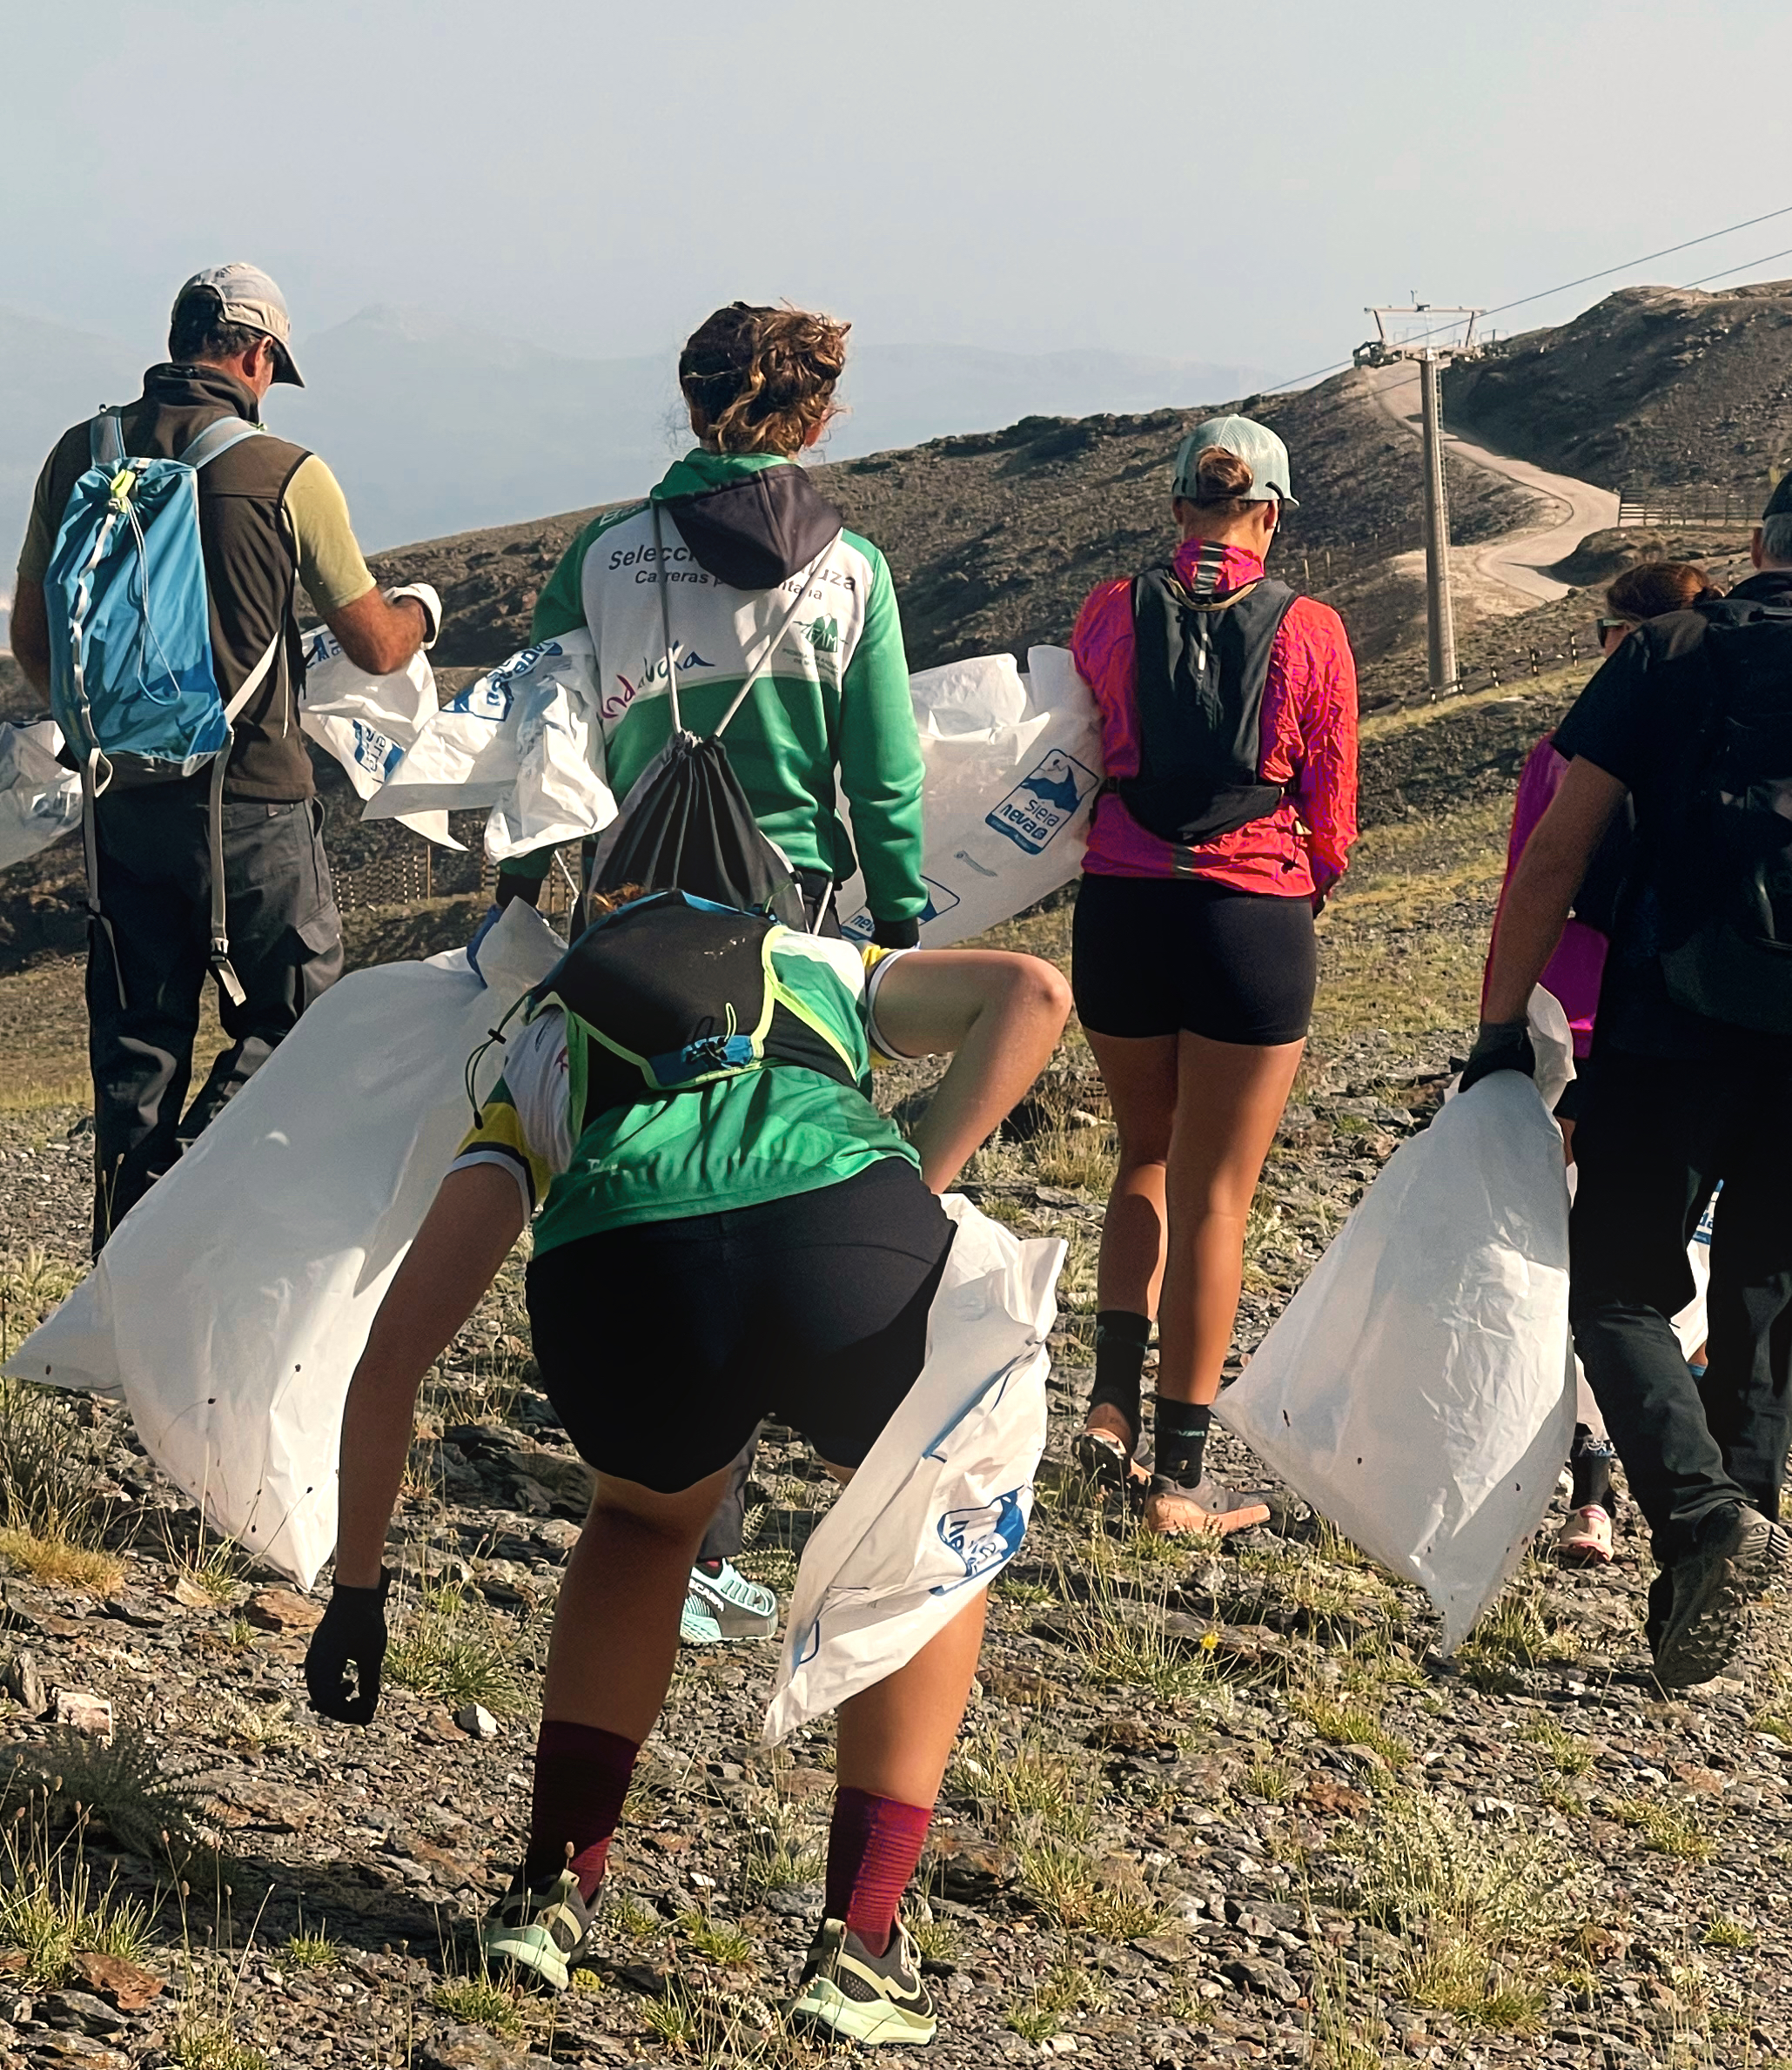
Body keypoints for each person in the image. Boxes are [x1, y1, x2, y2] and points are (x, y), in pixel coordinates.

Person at [305, 917, 1071, 2048]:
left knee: (639, 1523)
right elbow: (1034, 993)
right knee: (929, 1527)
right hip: (849, 1234)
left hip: (622, 1267)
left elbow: (392, 1361)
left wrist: (358, 1592)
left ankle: (549, 1896)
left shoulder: (548, 1032)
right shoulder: (814, 960)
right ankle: (860, 1948)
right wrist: (919, 1178)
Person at [1474, 458, 1792, 1690]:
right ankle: (1712, 1567)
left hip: (1668, 1030)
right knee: (1768, 1313)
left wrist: (1499, 1031)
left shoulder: (1663, 655)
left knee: (1617, 1295)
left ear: (1759, 550)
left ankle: (1699, 1523)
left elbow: (1553, 859)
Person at [483, 299, 931, 1644]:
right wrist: (897, 917)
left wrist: (516, 885)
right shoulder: (851, 570)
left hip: (628, 912)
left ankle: (668, 1520)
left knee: (656, 1184)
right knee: (773, 1171)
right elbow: (887, 772)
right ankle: (765, 1531)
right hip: (789, 928)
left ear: (690, 403)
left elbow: (537, 728)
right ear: (819, 416)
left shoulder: (606, 557)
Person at [10, 265, 432, 1248]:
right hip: (253, 801)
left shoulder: (79, 453)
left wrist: (107, 727)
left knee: (135, 1041)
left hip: (120, 797)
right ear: (254, 356)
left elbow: (36, 641)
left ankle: (117, 1277)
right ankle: (188, 1204)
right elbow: (373, 646)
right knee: (297, 1017)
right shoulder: (287, 473)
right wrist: (423, 612)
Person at [1064, 415, 1356, 1537]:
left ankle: (1106, 1414)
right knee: (1217, 1194)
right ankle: (1179, 1485)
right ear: (1270, 513)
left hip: (1124, 908)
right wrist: (1293, 888)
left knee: (1142, 1153)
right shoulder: (1313, 630)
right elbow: (1333, 809)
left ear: (1177, 505)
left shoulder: (1107, 609)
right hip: (1252, 916)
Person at [1487, 557, 1720, 1569]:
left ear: (1628, 642)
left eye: (1604, 639)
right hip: (1700, 1030)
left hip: (1574, 1023)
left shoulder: (1565, 752)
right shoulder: (1734, 750)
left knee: (1579, 1263)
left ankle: (1581, 1482)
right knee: (1688, 1261)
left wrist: (1493, 1030)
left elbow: (1528, 885)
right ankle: (1657, 1478)